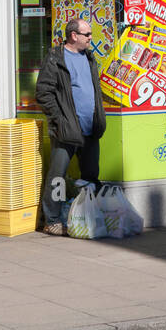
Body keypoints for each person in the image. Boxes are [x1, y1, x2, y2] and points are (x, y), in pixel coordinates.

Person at [35, 18, 106, 236]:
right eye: (87, 35)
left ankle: (89, 213)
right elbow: (43, 92)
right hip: (66, 129)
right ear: (74, 35)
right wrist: (59, 118)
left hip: (90, 128)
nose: (91, 38)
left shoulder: (89, 57)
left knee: (91, 174)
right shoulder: (56, 58)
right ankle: (52, 219)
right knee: (58, 176)